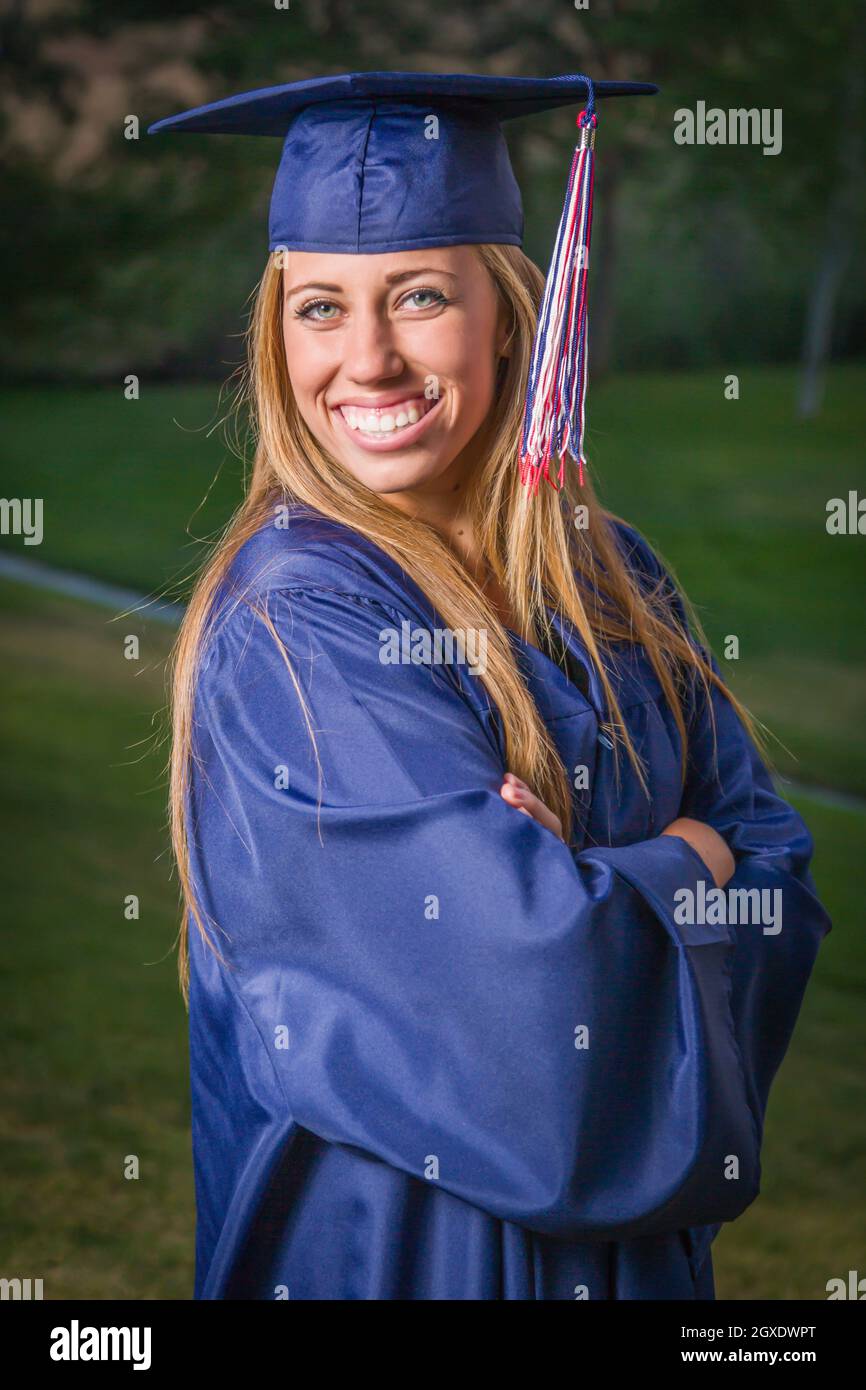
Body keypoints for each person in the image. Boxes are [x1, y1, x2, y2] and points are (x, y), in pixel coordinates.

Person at [150, 72, 832, 1300]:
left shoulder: (610, 578)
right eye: (318, 307)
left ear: (510, 316)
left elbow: (778, 863)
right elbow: (526, 1001)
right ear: (275, 332)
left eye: (418, 296)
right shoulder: (299, 619)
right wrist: (683, 858)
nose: (366, 358)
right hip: (394, 1255)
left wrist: (594, 886)